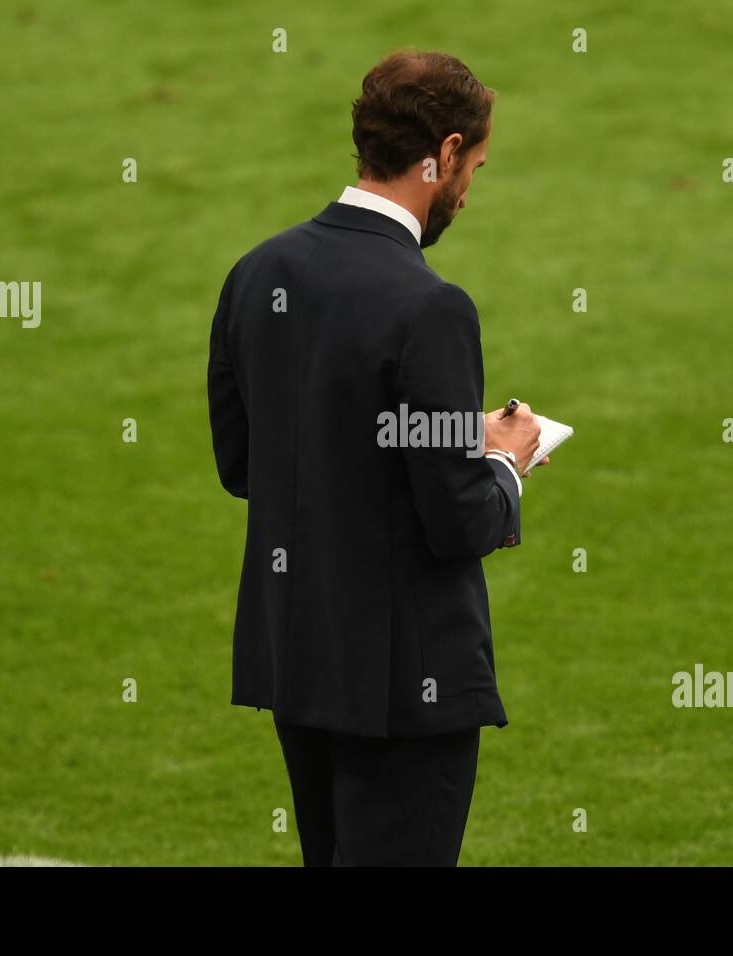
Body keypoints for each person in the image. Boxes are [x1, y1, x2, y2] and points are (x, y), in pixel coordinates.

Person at [207, 49, 543, 866]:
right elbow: (458, 518)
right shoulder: (430, 306)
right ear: (448, 153)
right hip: (405, 689)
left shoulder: (258, 274)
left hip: (303, 668)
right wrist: (504, 462)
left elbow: (245, 463)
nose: (469, 190)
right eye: (477, 168)